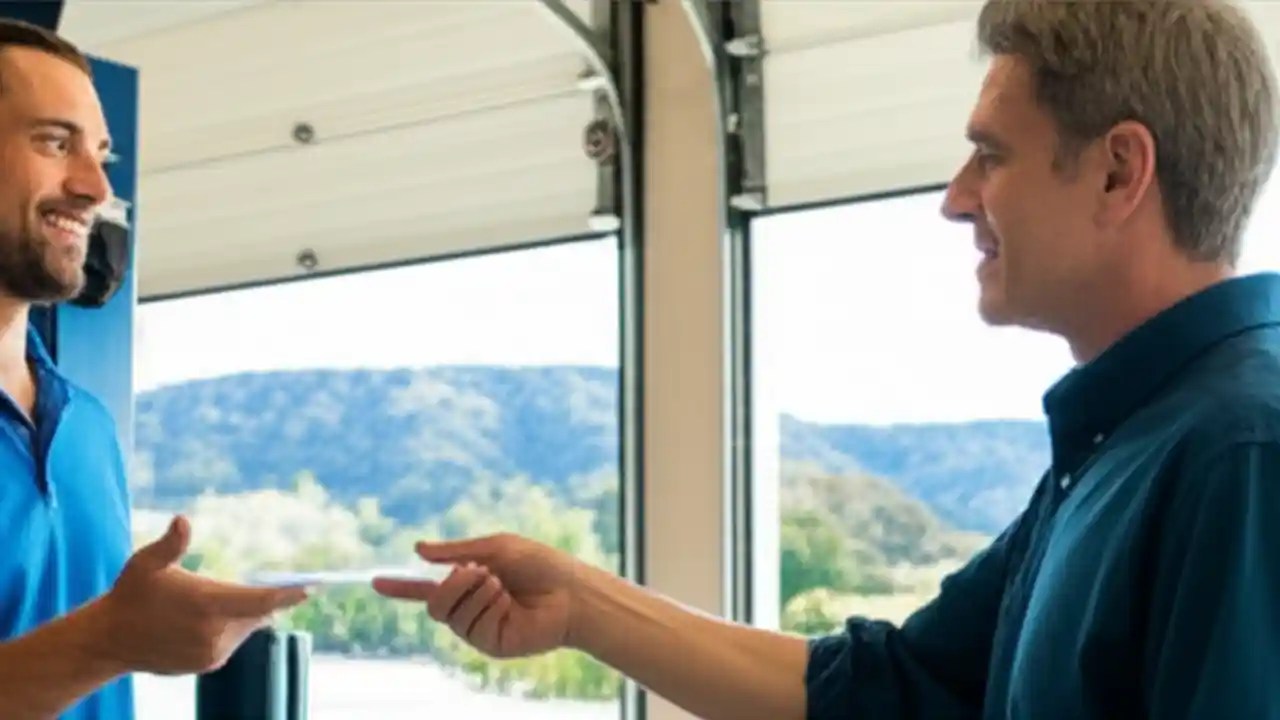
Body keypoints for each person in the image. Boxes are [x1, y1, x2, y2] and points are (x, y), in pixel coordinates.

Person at [373, 1, 1280, 718]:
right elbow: (890, 689)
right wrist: (580, 606)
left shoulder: (1240, 452)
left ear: (1120, 171)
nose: (957, 202)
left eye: (990, 156)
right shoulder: (1120, 445)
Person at [0, 20, 307, 720]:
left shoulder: (88, 428)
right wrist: (104, 640)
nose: (94, 186)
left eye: (101, 153)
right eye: (55, 142)